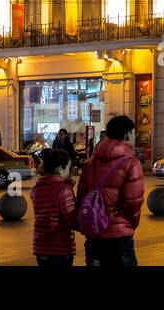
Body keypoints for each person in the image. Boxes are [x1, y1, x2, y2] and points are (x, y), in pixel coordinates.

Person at [75, 114, 145, 267]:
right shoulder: (131, 163)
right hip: (119, 237)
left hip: (94, 234)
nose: (135, 136)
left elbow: (81, 196)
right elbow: (133, 202)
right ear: (127, 134)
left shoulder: (91, 163)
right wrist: (129, 224)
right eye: (134, 133)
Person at [31, 149, 80, 267]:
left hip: (41, 249)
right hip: (60, 249)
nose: (69, 172)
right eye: (68, 168)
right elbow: (72, 221)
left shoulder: (36, 189)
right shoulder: (64, 190)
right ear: (59, 169)